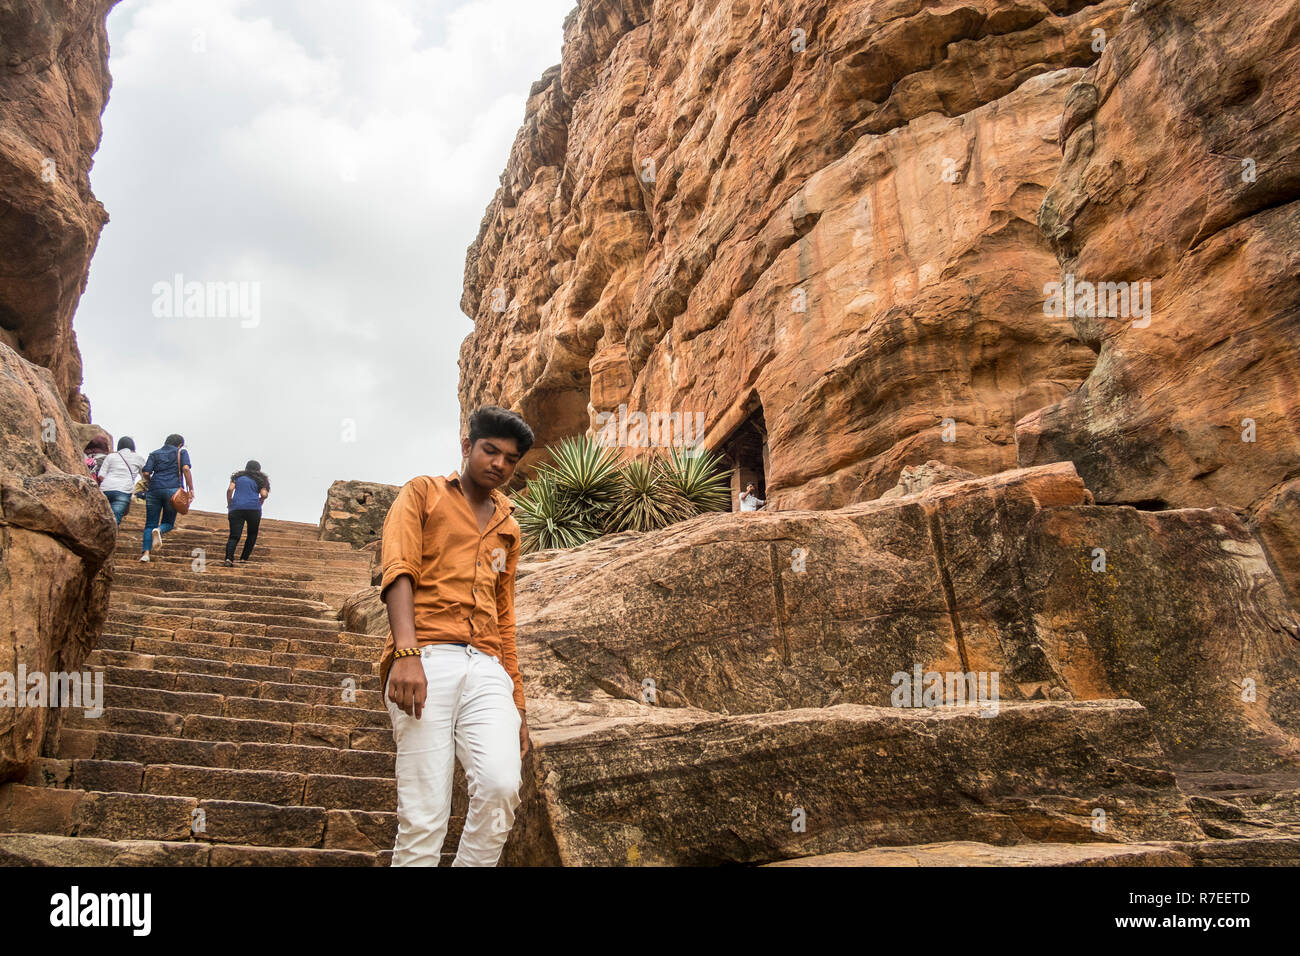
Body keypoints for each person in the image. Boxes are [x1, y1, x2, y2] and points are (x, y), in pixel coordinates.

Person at [379, 405, 532, 866]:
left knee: (502, 787)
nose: (499, 464)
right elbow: (399, 569)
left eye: (510, 458)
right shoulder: (423, 494)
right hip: (426, 655)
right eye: (490, 451)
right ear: (467, 447)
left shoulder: (508, 526)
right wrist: (406, 653)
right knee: (425, 815)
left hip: (487, 669)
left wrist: (518, 701)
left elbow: (504, 613)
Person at [139, 433, 193, 562]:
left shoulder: (154, 453)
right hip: (173, 490)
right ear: (180, 444)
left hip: (154, 490)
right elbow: (185, 468)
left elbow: (146, 472)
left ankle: (146, 554)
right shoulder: (182, 452)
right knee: (168, 522)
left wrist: (150, 481)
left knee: (149, 524)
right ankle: (159, 529)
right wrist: (191, 488)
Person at [224, 459, 270, 566]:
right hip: (253, 509)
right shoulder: (260, 480)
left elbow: (230, 490)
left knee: (234, 535)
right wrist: (261, 501)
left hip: (236, 508)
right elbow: (264, 494)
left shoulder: (237, 477)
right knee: (252, 534)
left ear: (246, 468)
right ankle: (243, 558)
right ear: (258, 470)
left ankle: (228, 558)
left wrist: (229, 502)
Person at [97, 437, 146, 525]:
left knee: (101, 518)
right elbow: (145, 476)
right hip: (124, 490)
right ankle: (109, 537)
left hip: (105, 489)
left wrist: (110, 484)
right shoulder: (138, 458)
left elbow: (100, 476)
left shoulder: (111, 456)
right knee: (115, 519)